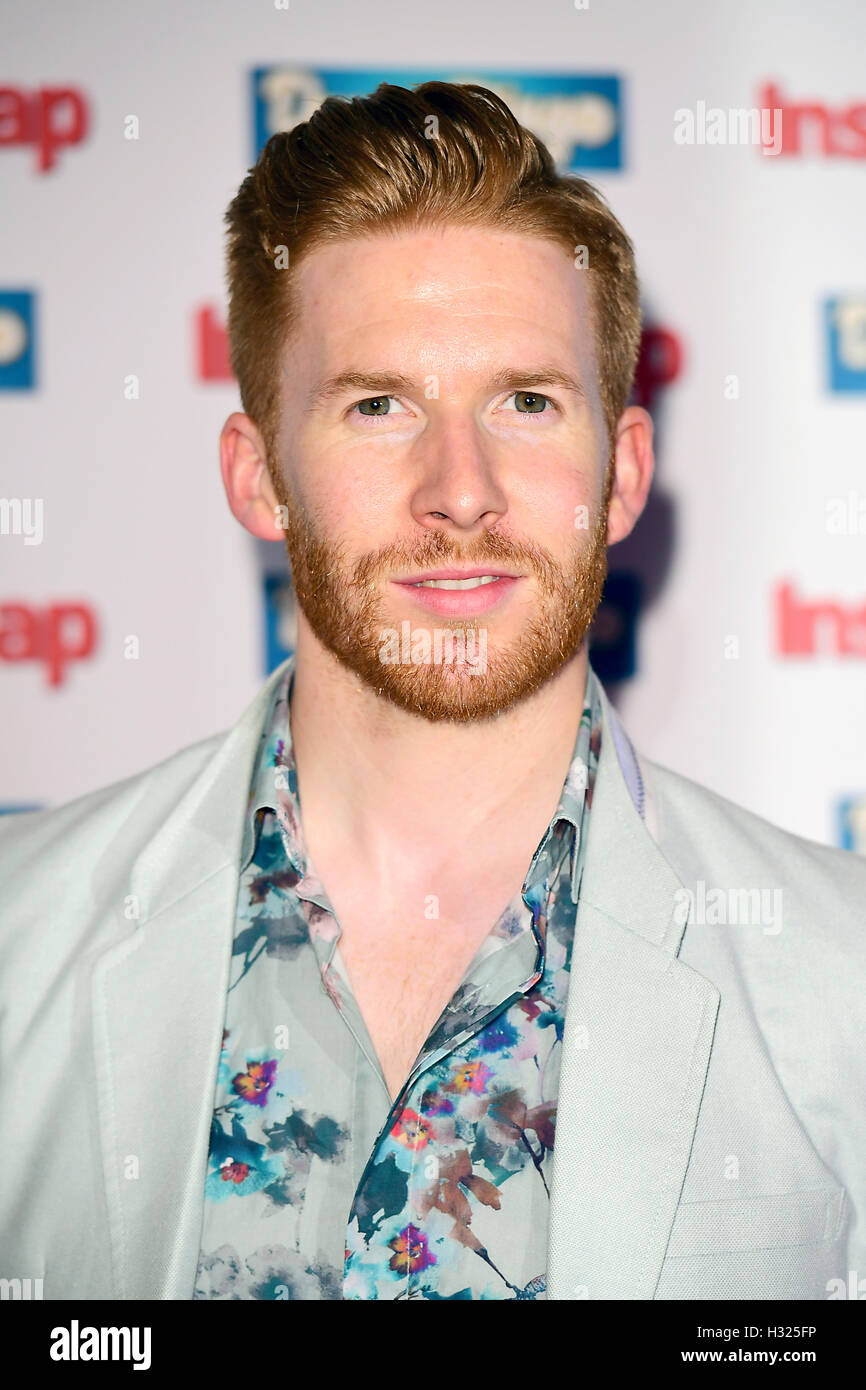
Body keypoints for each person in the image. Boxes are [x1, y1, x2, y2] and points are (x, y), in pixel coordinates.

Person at [0, 81, 863, 1303]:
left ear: (619, 476)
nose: (459, 491)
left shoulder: (842, 976)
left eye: (524, 402)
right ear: (259, 479)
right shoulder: (17, 944)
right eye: (375, 404)